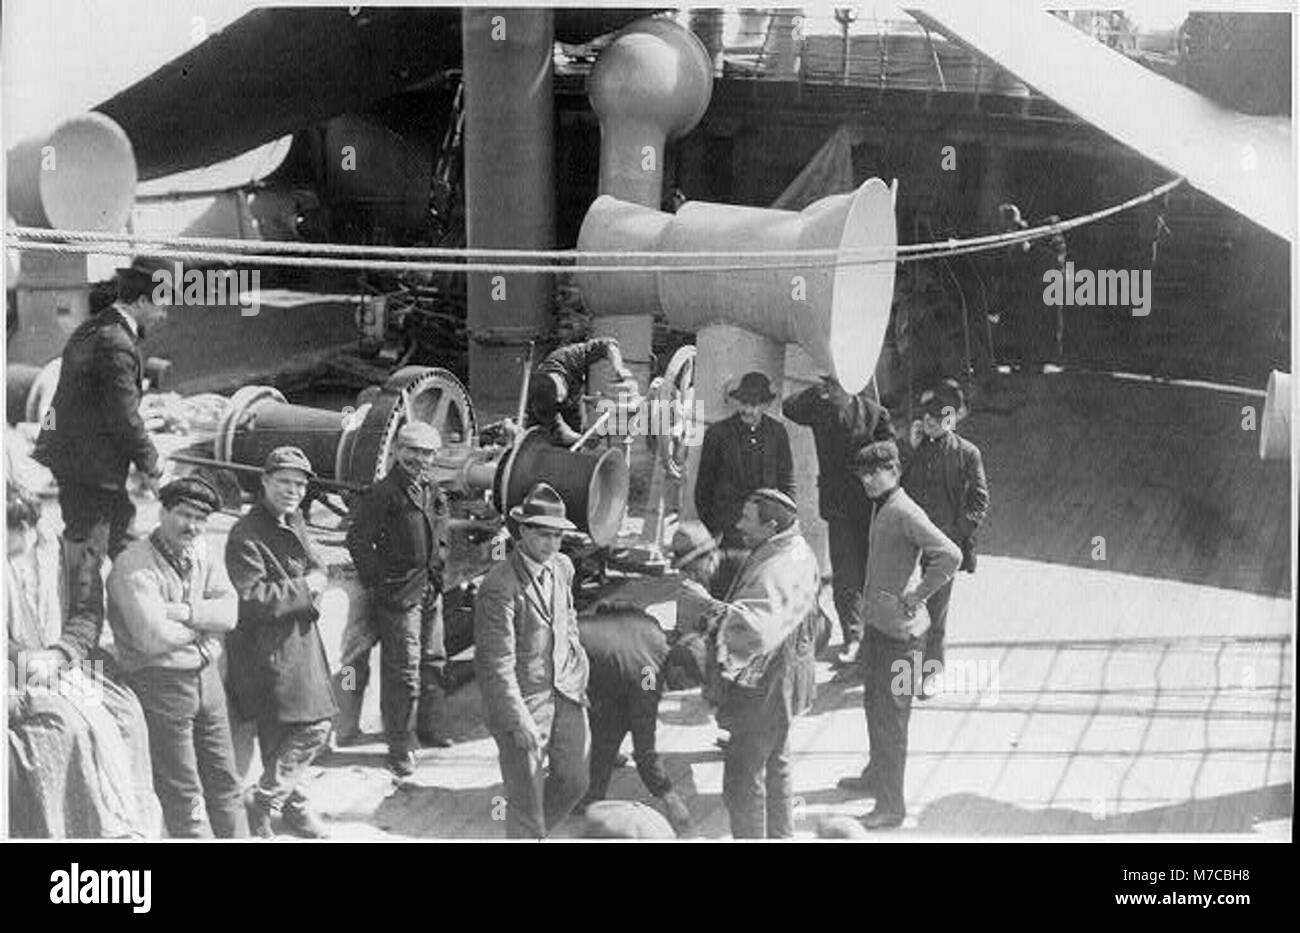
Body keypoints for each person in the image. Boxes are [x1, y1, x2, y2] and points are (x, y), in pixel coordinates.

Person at [6, 480, 160, 838]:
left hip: (67, 661)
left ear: (27, 529)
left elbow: (87, 615)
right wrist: (28, 660)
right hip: (14, 671)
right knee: (70, 726)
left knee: (127, 712)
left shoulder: (66, 554)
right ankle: (87, 826)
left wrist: (61, 652)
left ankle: (131, 820)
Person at [106, 476, 246, 838]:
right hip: (161, 685)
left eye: (201, 520)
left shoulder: (202, 553)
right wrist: (205, 631)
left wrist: (184, 611)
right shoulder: (133, 563)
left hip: (207, 681)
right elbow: (152, 638)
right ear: (162, 511)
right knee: (184, 794)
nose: (193, 527)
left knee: (226, 783)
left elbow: (230, 613)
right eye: (184, 515)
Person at [33, 262, 168, 624]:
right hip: (90, 471)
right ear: (142, 301)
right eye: (161, 305)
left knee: (121, 537)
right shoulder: (116, 343)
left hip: (77, 463)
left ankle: (135, 622)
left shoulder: (93, 327)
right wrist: (152, 466)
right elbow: (123, 417)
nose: (164, 314)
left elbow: (67, 401)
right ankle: (82, 638)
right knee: (88, 558)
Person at [838, 441, 960, 830]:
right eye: (863, 476)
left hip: (903, 639)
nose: (867, 482)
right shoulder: (885, 506)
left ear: (893, 470)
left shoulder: (905, 509)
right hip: (881, 631)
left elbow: (950, 555)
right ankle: (876, 776)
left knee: (893, 718)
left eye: (874, 473)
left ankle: (891, 806)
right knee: (874, 706)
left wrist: (917, 595)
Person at [225, 447, 337, 839]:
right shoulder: (246, 534)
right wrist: (306, 588)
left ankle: (288, 809)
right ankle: (265, 800)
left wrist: (316, 579)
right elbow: (251, 598)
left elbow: (317, 563)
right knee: (308, 727)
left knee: (289, 734)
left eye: (300, 484)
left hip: (298, 641)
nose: (293, 490)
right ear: (265, 482)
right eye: (284, 482)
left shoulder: (295, 519)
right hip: (266, 649)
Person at [474, 482, 590, 838]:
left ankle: (534, 834)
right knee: (525, 800)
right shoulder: (499, 586)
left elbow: (567, 621)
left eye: (557, 536)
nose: (551, 544)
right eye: (543, 535)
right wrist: (517, 717)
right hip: (523, 703)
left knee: (575, 781)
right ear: (522, 531)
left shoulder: (563, 567)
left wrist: (577, 673)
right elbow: (496, 663)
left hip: (566, 693)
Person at [343, 421, 453, 777]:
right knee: (403, 670)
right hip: (399, 594)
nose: (419, 459)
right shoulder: (382, 493)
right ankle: (400, 745)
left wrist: (439, 571)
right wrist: (380, 582)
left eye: (427, 453)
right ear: (396, 451)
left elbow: (441, 533)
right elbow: (358, 540)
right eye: (412, 451)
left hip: (430, 589)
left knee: (434, 660)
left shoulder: (433, 489)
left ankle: (431, 727)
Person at [710, 489, 820, 839]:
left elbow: (753, 630)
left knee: (744, 780)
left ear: (771, 526)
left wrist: (708, 612)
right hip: (787, 682)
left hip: (764, 691)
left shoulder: (778, 567)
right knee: (778, 766)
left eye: (747, 519)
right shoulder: (797, 550)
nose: (739, 525)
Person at [782, 375, 894, 665]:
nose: (830, 391)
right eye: (828, 385)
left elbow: (892, 456)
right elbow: (789, 408)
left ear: (851, 387)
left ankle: (874, 635)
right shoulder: (821, 411)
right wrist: (816, 390)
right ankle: (853, 636)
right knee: (845, 573)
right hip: (838, 506)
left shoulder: (874, 413)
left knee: (871, 569)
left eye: (834, 386)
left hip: (870, 505)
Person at [901, 379, 989, 698]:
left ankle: (930, 674)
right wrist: (909, 449)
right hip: (910, 543)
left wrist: (956, 535)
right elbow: (894, 483)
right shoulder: (913, 449)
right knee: (907, 606)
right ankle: (905, 669)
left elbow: (979, 501)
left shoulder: (967, 454)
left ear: (949, 422)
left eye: (937, 420)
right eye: (926, 418)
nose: (930, 424)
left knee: (936, 612)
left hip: (943, 547)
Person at [575, 602, 692, 835]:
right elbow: (644, 750)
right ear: (676, 668)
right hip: (564, 656)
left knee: (612, 718)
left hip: (585, 636)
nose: (681, 688)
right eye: (684, 683)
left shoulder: (655, 631)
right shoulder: (649, 677)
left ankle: (592, 793)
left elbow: (612, 609)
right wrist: (669, 796)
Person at [694, 371, 795, 558]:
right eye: (744, 403)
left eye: (754, 405)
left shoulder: (777, 433)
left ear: (766, 405)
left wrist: (782, 524)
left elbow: (787, 483)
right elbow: (703, 490)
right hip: (727, 531)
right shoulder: (717, 434)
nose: (747, 410)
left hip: (766, 533)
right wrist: (716, 529)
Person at [526, 337, 636, 447]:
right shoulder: (542, 404)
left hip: (574, 415)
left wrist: (619, 368)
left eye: (560, 395)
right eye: (557, 402)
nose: (560, 400)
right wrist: (584, 439)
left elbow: (607, 345)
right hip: (550, 441)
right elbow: (562, 434)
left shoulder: (567, 358)